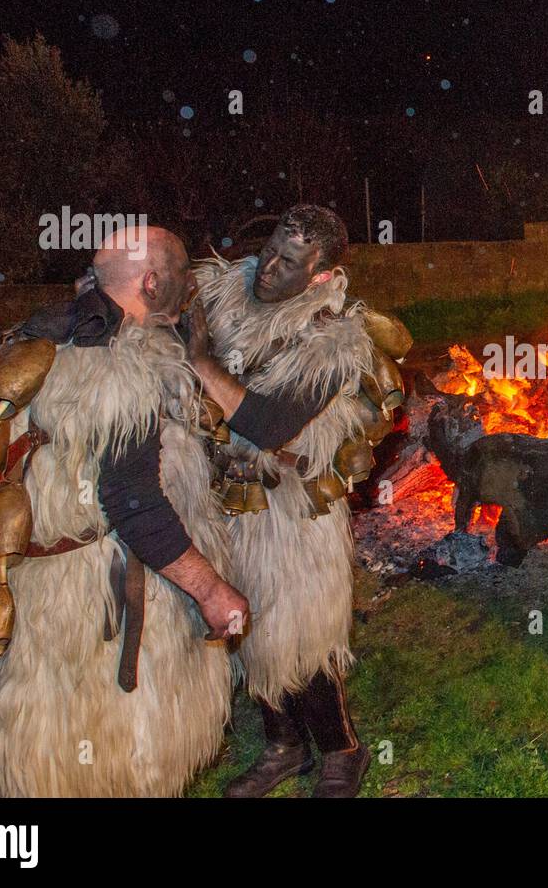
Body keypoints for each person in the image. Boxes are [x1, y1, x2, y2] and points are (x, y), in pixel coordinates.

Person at [0, 225, 247, 796]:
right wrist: (213, 590)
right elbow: (134, 505)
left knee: (54, 747)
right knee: (120, 753)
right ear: (149, 282)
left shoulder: (38, 341)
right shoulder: (123, 370)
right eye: (179, 282)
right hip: (97, 598)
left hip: (37, 588)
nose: (187, 293)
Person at [190, 205, 383, 798]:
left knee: (302, 632)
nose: (268, 268)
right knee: (246, 625)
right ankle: (283, 746)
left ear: (321, 274)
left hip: (293, 512)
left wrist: (198, 361)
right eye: (271, 249)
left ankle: (342, 751)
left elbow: (270, 423)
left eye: (289, 262)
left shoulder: (335, 343)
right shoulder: (224, 290)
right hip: (224, 497)